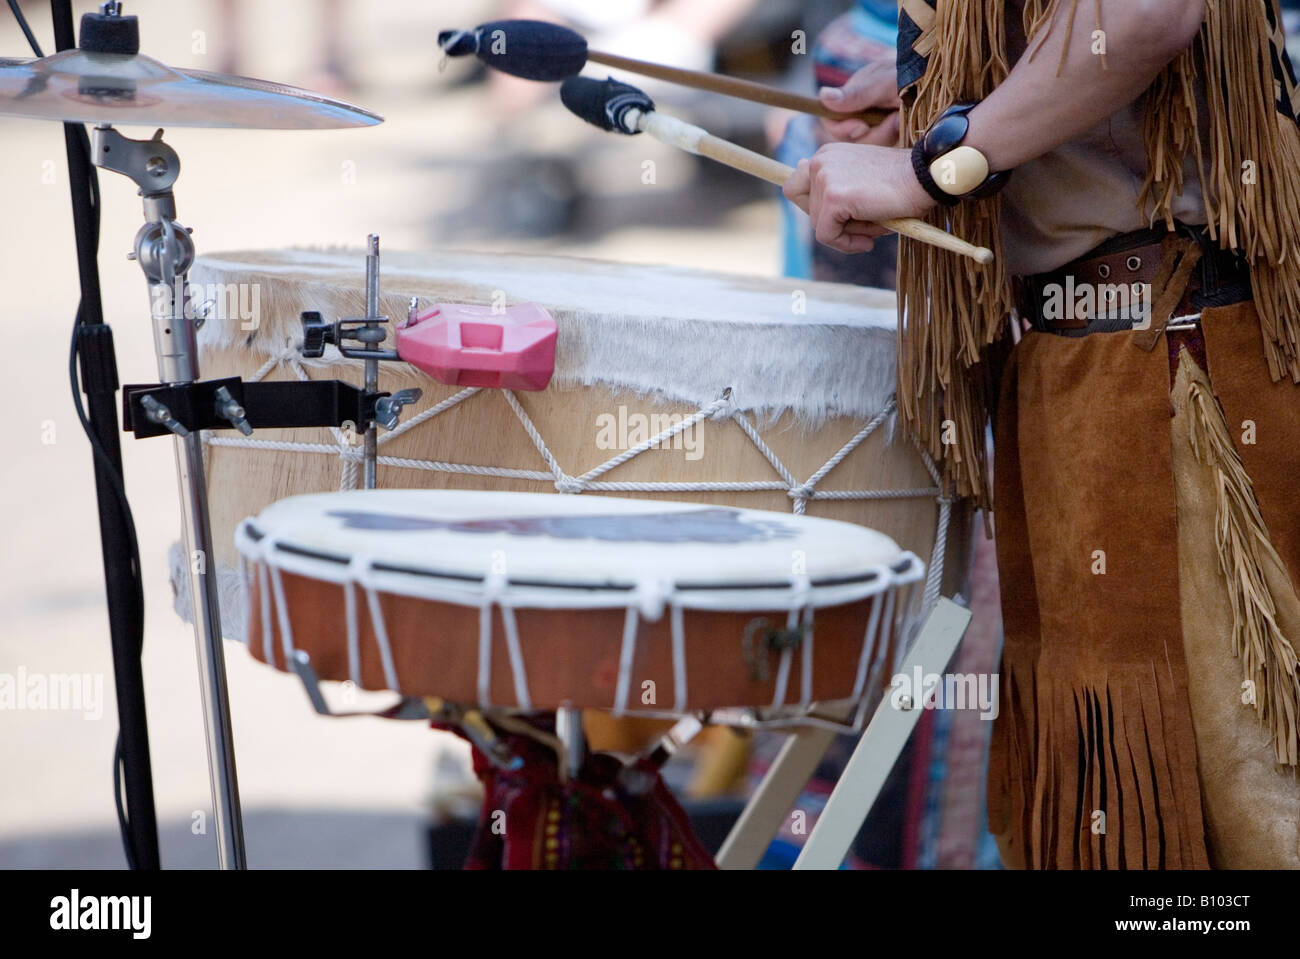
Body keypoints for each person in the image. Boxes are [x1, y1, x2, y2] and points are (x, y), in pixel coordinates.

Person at [785, 0, 1300, 869]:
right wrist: (940, 93)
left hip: (1181, 368)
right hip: (1100, 371)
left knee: (1222, 829)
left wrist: (933, 166)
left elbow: (1146, 11)